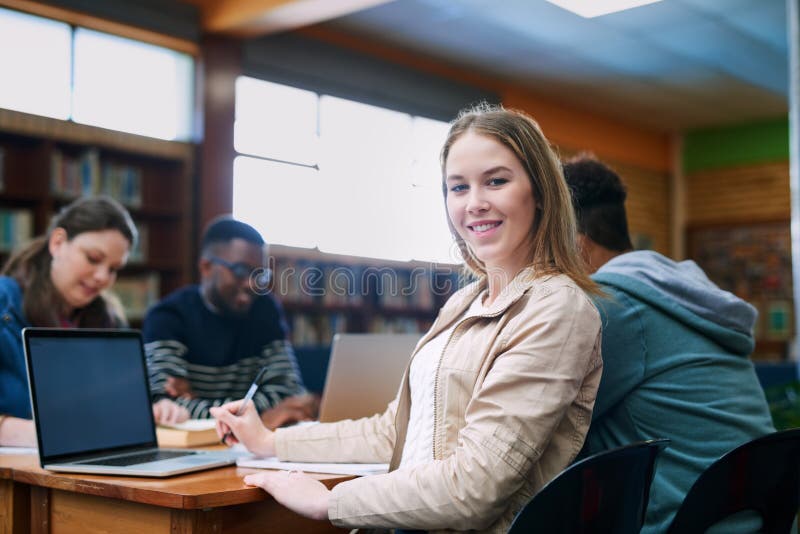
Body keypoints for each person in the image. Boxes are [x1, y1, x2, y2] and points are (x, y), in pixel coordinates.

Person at [211, 104, 603, 533]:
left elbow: (475, 487)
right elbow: (392, 432)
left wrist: (332, 502)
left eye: (496, 181)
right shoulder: (464, 303)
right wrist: (270, 442)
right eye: (458, 188)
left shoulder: (556, 308)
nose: (474, 203)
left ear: (541, 192)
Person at [562, 155, 775, 533]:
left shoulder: (614, 308)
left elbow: (545, 428)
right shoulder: (677, 291)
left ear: (577, 247)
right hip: (753, 520)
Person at [0, 195, 188, 447]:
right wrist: (49, 436)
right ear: (58, 243)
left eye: (113, 269)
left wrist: (156, 408)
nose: (102, 277)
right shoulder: (5, 303)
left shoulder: (109, 319)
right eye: (93, 258)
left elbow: (119, 407)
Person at [143, 217, 314, 428]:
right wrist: (260, 414)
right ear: (206, 267)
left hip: (250, 445)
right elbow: (167, 408)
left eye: (259, 274)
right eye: (241, 270)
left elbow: (288, 393)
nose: (252, 284)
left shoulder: (265, 308)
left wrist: (200, 405)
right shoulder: (167, 317)